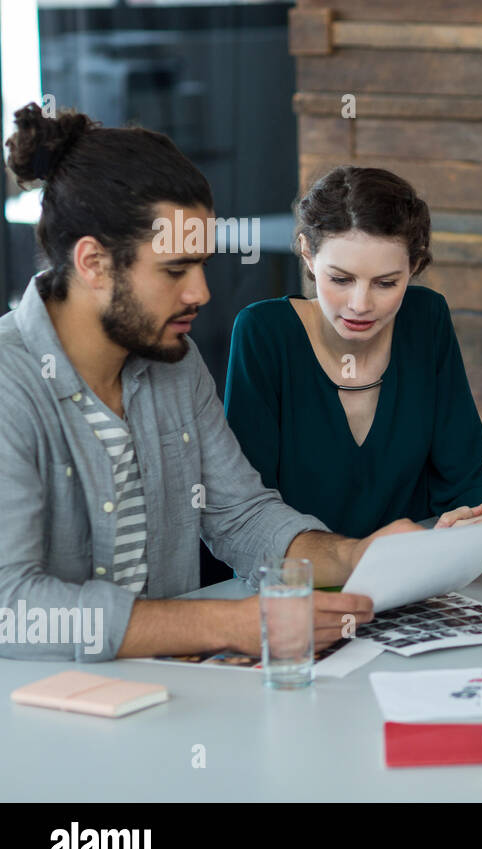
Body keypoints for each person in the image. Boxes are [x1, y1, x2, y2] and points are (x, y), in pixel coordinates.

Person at [0, 105, 421, 662]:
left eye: (202, 264)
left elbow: (241, 515)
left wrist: (357, 555)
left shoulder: (174, 362)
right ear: (94, 263)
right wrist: (228, 624)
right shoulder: (12, 383)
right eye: (175, 270)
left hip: (174, 700)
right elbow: (15, 611)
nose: (201, 292)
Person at [224, 165, 482, 539]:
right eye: (340, 279)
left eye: (386, 283)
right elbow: (247, 513)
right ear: (307, 254)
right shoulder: (264, 333)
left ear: (414, 265)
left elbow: (467, 482)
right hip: (300, 584)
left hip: (416, 580)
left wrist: (477, 523)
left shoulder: (425, 319)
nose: (360, 304)